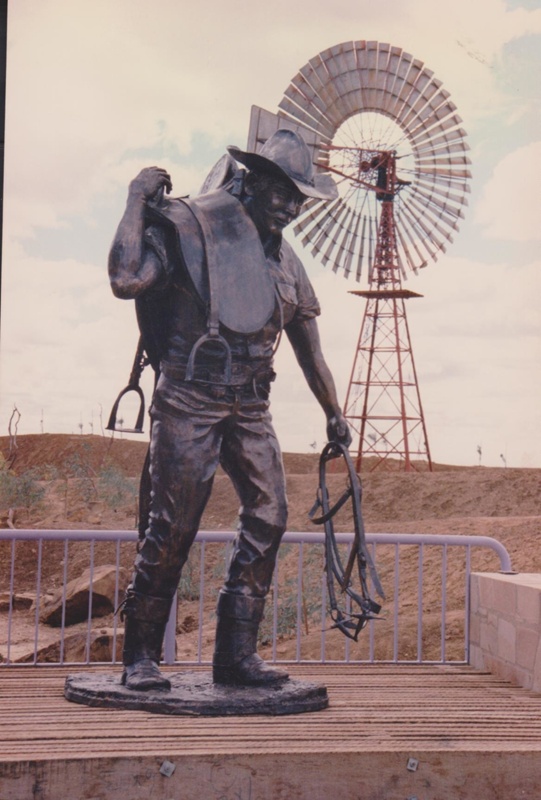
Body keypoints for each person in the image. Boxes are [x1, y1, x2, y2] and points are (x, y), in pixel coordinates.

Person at [108, 128, 351, 692]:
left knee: (269, 514)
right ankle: (140, 656)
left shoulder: (288, 263)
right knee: (173, 526)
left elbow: (309, 347)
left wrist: (333, 412)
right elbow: (126, 278)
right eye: (282, 195)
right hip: (190, 395)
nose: (290, 209)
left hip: (251, 403)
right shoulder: (194, 230)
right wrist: (136, 202)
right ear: (248, 182)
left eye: (298, 199)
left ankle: (235, 655)